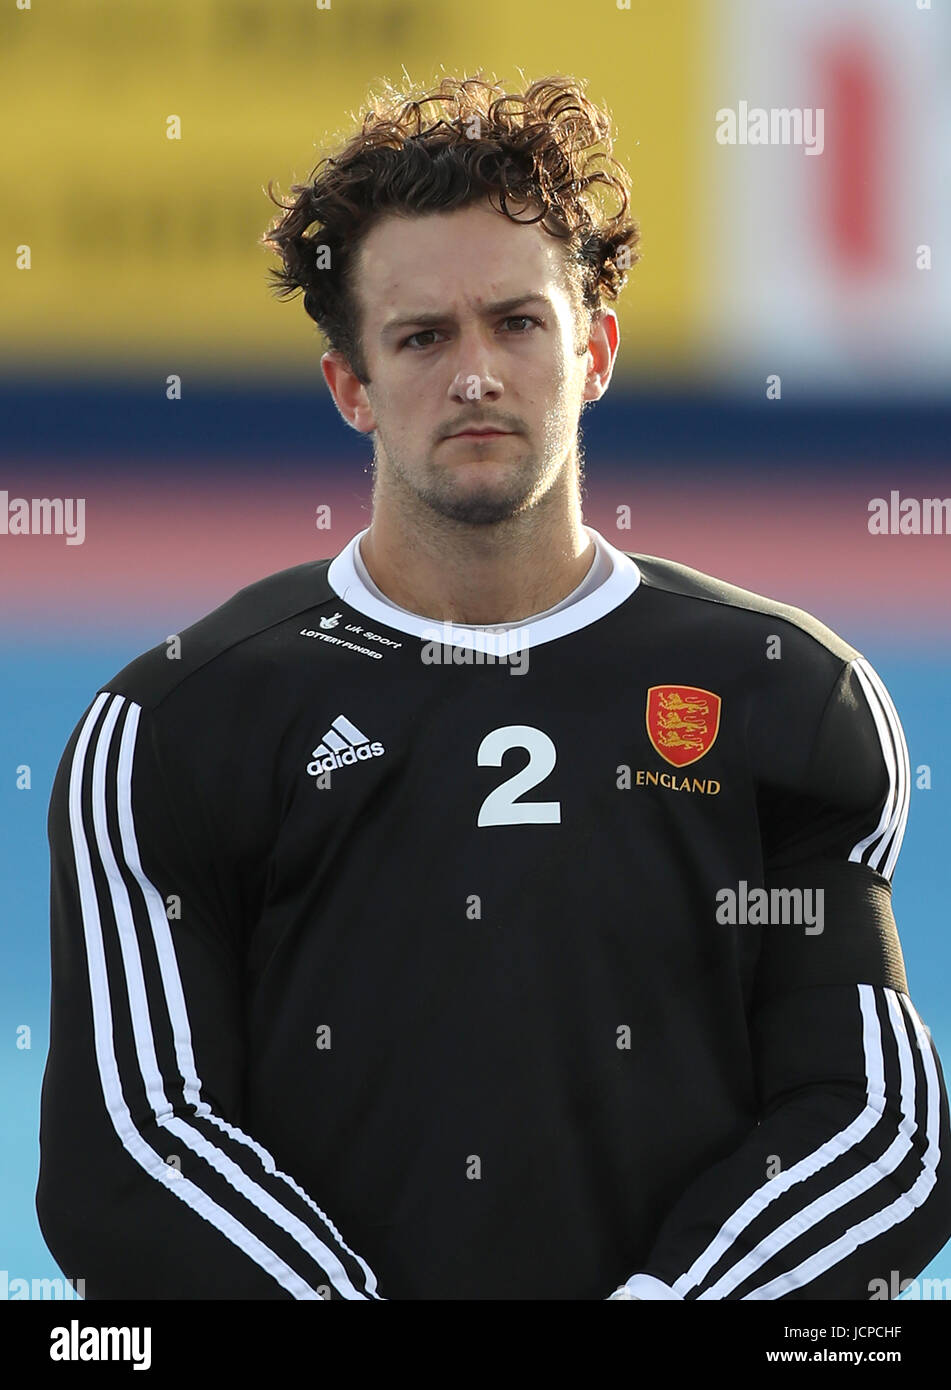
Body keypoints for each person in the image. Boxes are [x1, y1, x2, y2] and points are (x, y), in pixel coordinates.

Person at [36, 72, 951, 1300]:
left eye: (517, 323)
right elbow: (131, 1154)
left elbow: (877, 1132)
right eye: (422, 338)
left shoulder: (787, 696)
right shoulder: (172, 726)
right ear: (350, 387)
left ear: (596, 352)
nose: (475, 375)